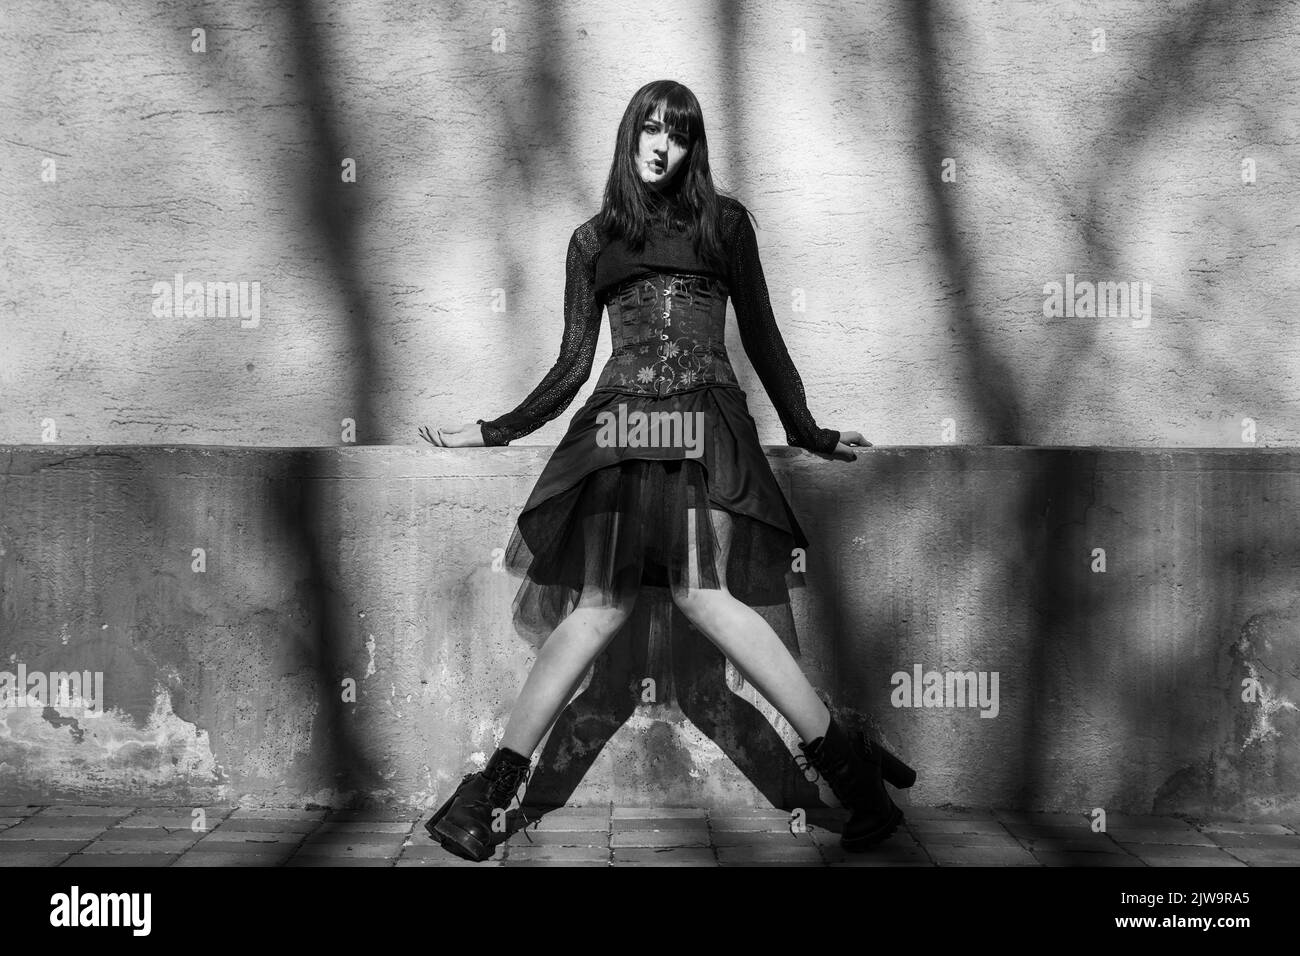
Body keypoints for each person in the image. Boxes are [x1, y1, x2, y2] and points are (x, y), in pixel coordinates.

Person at [419, 79, 914, 863]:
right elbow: (573, 364)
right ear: (629, 134)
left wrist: (807, 430)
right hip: (620, 431)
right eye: (649, 129)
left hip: (699, 426)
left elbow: (763, 335)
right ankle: (487, 793)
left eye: (677, 134)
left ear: (693, 147)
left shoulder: (724, 224)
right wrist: (492, 431)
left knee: (702, 599)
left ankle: (854, 782)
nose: (661, 145)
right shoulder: (592, 240)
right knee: (601, 606)